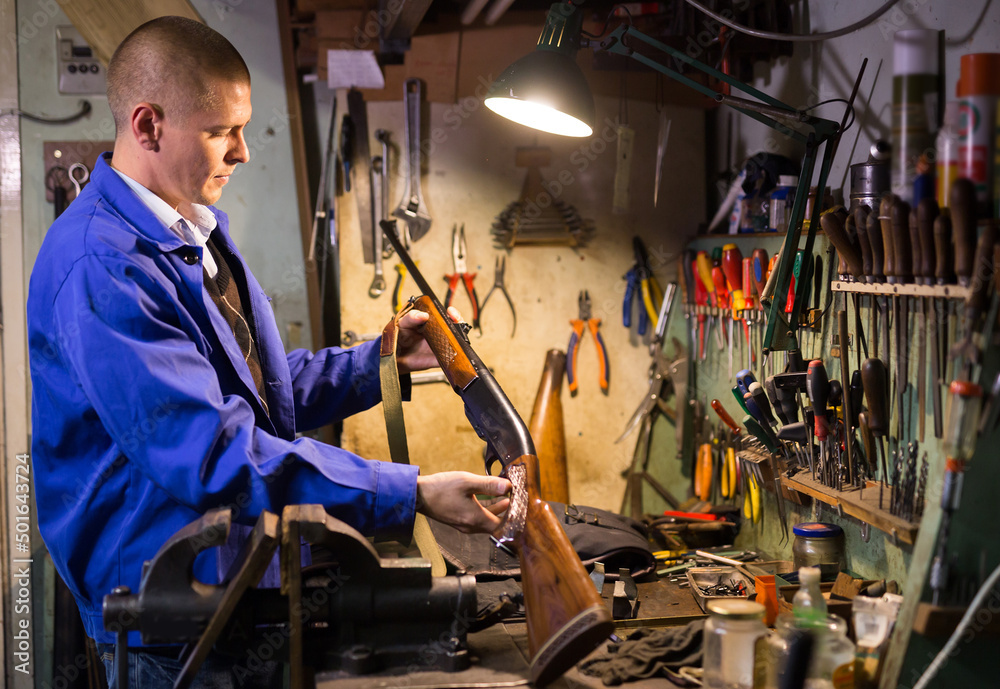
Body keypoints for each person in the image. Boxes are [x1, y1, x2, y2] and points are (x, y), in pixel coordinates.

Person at [26, 15, 509, 687]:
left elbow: (256, 392)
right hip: (168, 618)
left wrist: (380, 362)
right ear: (147, 126)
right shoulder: (102, 268)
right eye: (221, 130)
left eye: (242, 128)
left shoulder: (194, 230)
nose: (243, 151)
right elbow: (213, 452)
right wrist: (410, 491)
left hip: (236, 580)